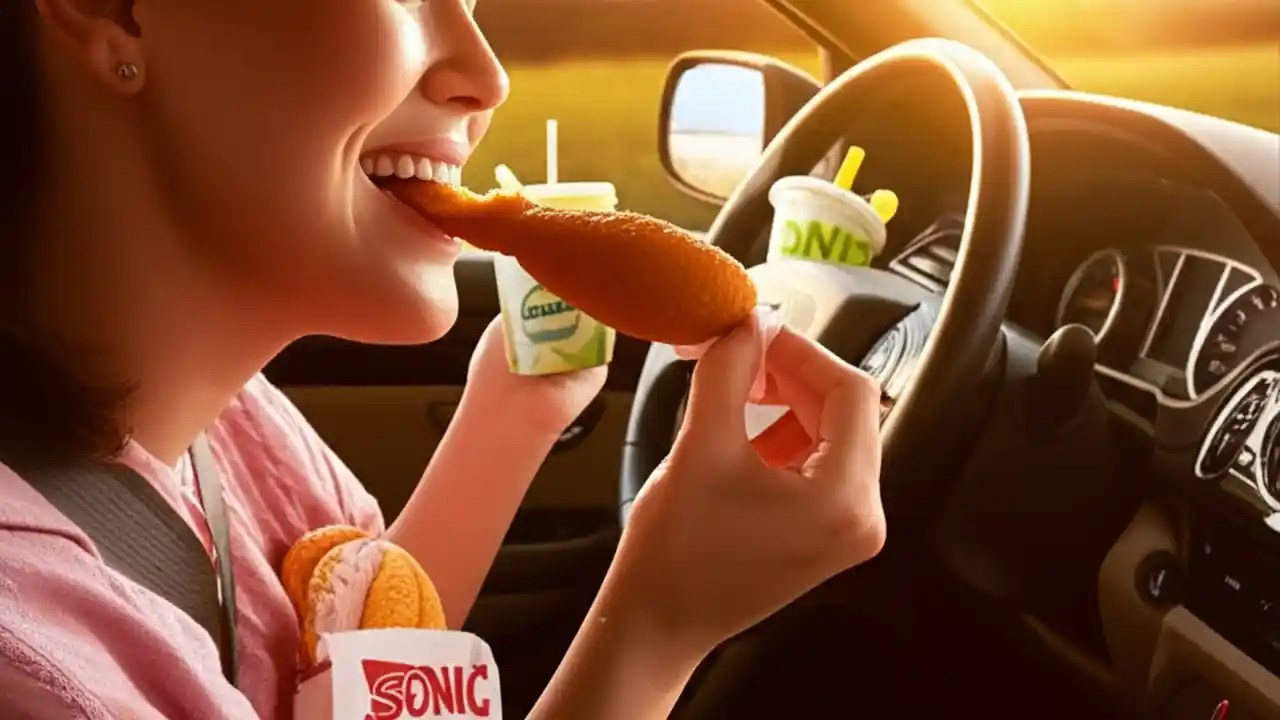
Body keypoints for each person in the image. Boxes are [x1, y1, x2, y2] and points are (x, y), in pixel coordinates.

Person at [0, 0, 885, 717]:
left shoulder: (229, 420)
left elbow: (353, 663)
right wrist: (657, 627)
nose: (487, 77)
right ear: (114, 9)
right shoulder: (40, 674)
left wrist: (512, 420)